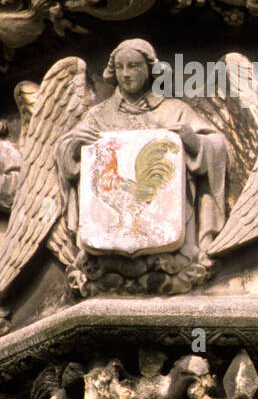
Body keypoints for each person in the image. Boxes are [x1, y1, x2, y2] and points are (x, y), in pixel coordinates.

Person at [54, 39, 228, 291]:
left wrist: (193, 141)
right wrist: (72, 145)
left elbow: (216, 146)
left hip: (170, 232)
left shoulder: (175, 110)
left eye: (134, 66)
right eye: (121, 67)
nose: (126, 74)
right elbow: (65, 153)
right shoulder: (97, 116)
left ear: (149, 70)